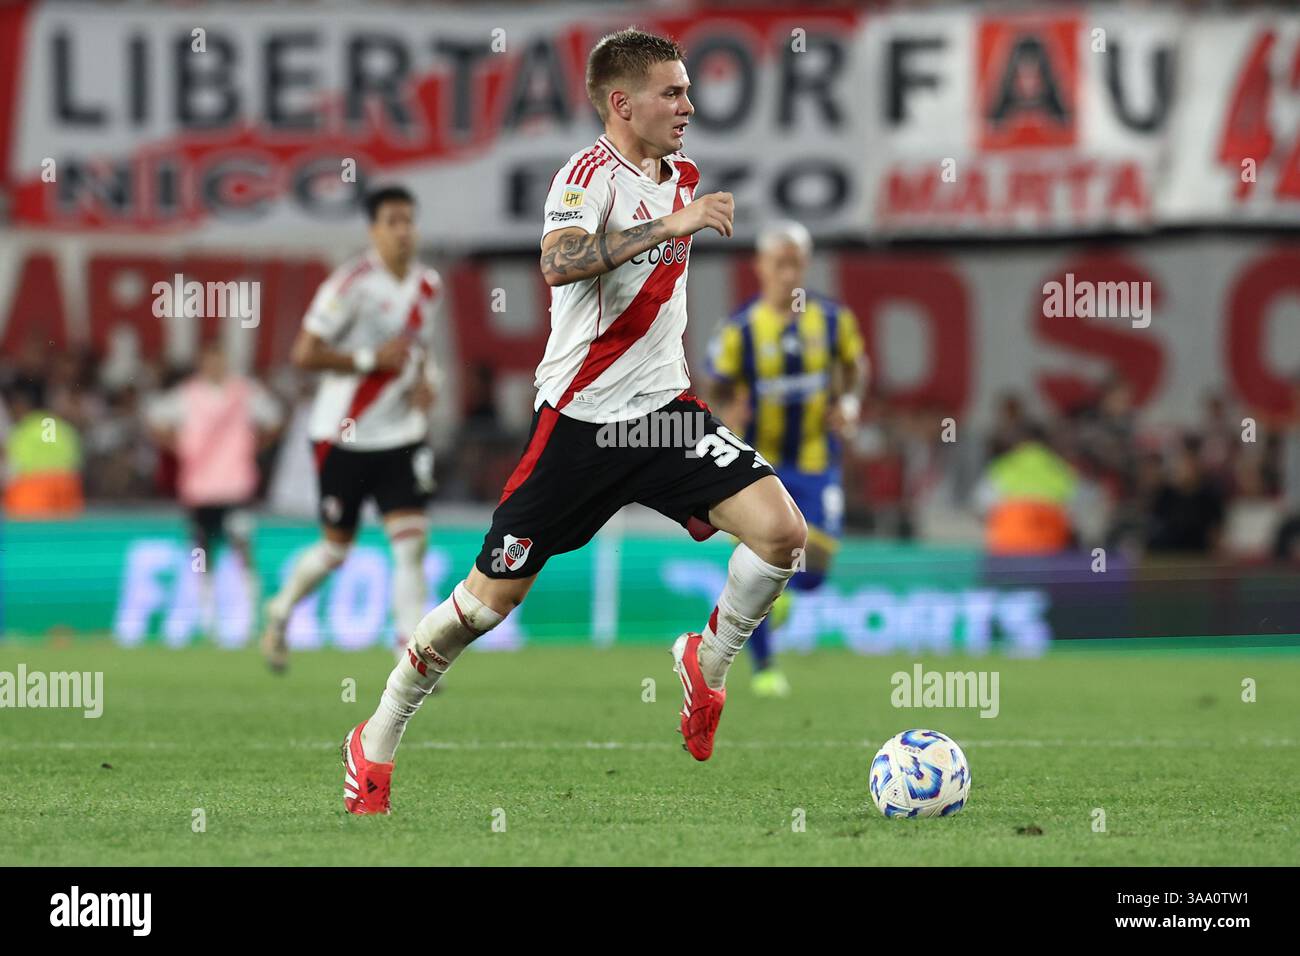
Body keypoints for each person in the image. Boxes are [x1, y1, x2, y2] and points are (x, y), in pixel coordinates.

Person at [340, 28, 807, 815]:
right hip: (581, 428)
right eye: (674, 92)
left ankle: (708, 665)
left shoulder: (681, 173)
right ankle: (376, 734)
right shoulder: (585, 177)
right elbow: (559, 260)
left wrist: (678, 214)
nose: (690, 105)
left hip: (663, 417)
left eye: (688, 90)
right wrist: (670, 226)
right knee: (485, 606)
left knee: (782, 534)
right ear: (623, 103)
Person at [260, 185, 442, 672]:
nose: (404, 231)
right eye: (392, 222)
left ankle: (411, 653)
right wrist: (368, 360)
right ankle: (280, 609)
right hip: (345, 434)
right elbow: (304, 353)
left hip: (402, 433)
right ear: (373, 231)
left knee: (412, 543)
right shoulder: (351, 283)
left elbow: (418, 349)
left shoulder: (428, 285)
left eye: (409, 220)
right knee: (336, 550)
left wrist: (428, 383)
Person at [705, 220, 867, 697]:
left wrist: (850, 404)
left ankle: (789, 597)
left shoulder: (834, 321)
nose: (788, 273)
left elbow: (857, 369)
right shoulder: (739, 331)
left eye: (796, 262)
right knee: (759, 564)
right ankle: (765, 669)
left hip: (818, 462)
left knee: (815, 570)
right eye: (779, 263)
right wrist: (728, 409)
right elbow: (713, 383)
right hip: (760, 467)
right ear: (760, 267)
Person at [147, 339, 283, 635]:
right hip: (201, 489)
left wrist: (254, 447)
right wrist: (180, 447)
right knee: (202, 553)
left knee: (242, 548)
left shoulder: (245, 392)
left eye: (219, 360)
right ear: (202, 363)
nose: (215, 366)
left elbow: (274, 419)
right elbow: (155, 420)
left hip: (235, 487)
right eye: (209, 360)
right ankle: (208, 617)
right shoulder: (187, 395)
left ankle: (247, 617)